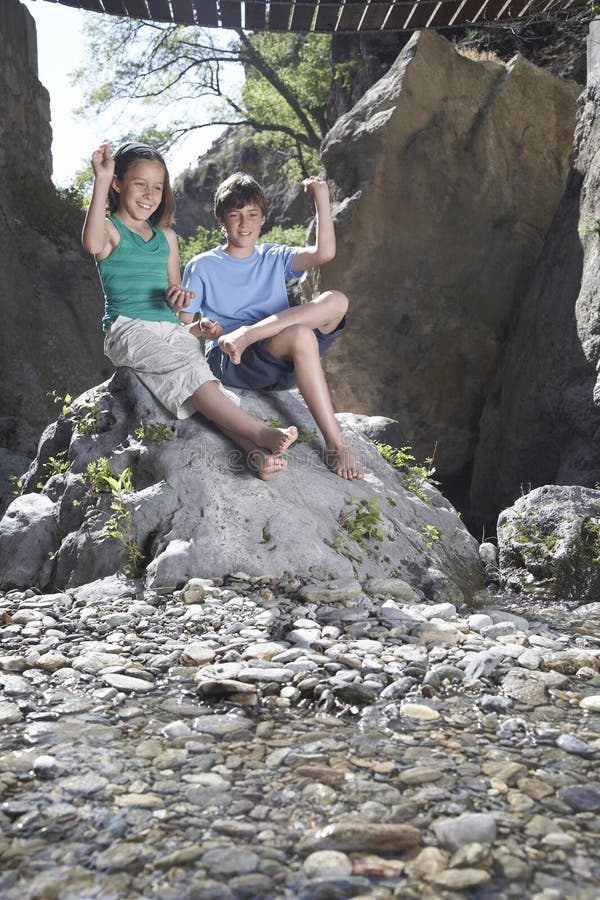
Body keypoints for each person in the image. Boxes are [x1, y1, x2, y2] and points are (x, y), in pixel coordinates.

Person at [82, 141, 297, 480]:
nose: (149, 194)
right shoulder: (109, 229)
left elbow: (176, 298)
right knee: (188, 374)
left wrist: (191, 316)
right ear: (118, 184)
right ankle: (261, 433)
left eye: (157, 187)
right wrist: (101, 178)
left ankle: (256, 455)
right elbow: (91, 243)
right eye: (140, 184)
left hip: (169, 329)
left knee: (203, 383)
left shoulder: (166, 237)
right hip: (127, 327)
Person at [181, 172, 364, 480]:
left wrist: (322, 198)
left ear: (263, 218)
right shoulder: (202, 266)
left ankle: (249, 333)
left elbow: (324, 253)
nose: (245, 223)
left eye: (253, 214)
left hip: (281, 357)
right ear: (221, 220)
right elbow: (182, 331)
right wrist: (203, 328)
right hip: (235, 361)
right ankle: (336, 444)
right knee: (301, 335)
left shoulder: (273, 256)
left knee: (338, 300)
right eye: (235, 215)